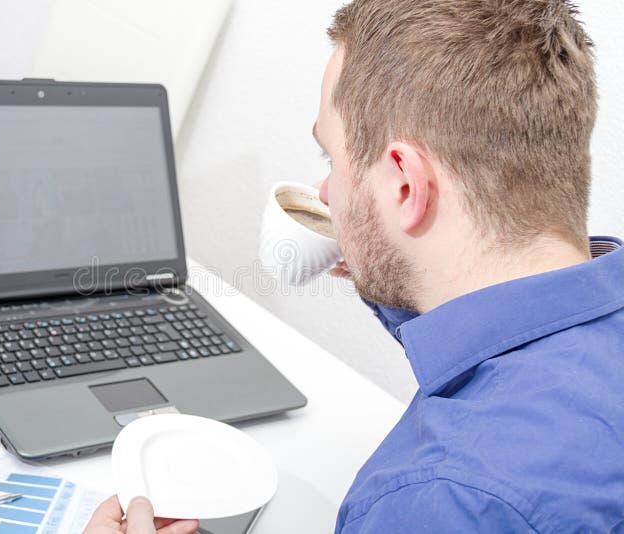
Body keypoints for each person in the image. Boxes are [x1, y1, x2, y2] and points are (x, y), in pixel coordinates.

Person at [87, 0, 624, 531]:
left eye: (332, 160)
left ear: (406, 184)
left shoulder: (437, 500)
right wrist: (386, 255)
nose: (325, 192)